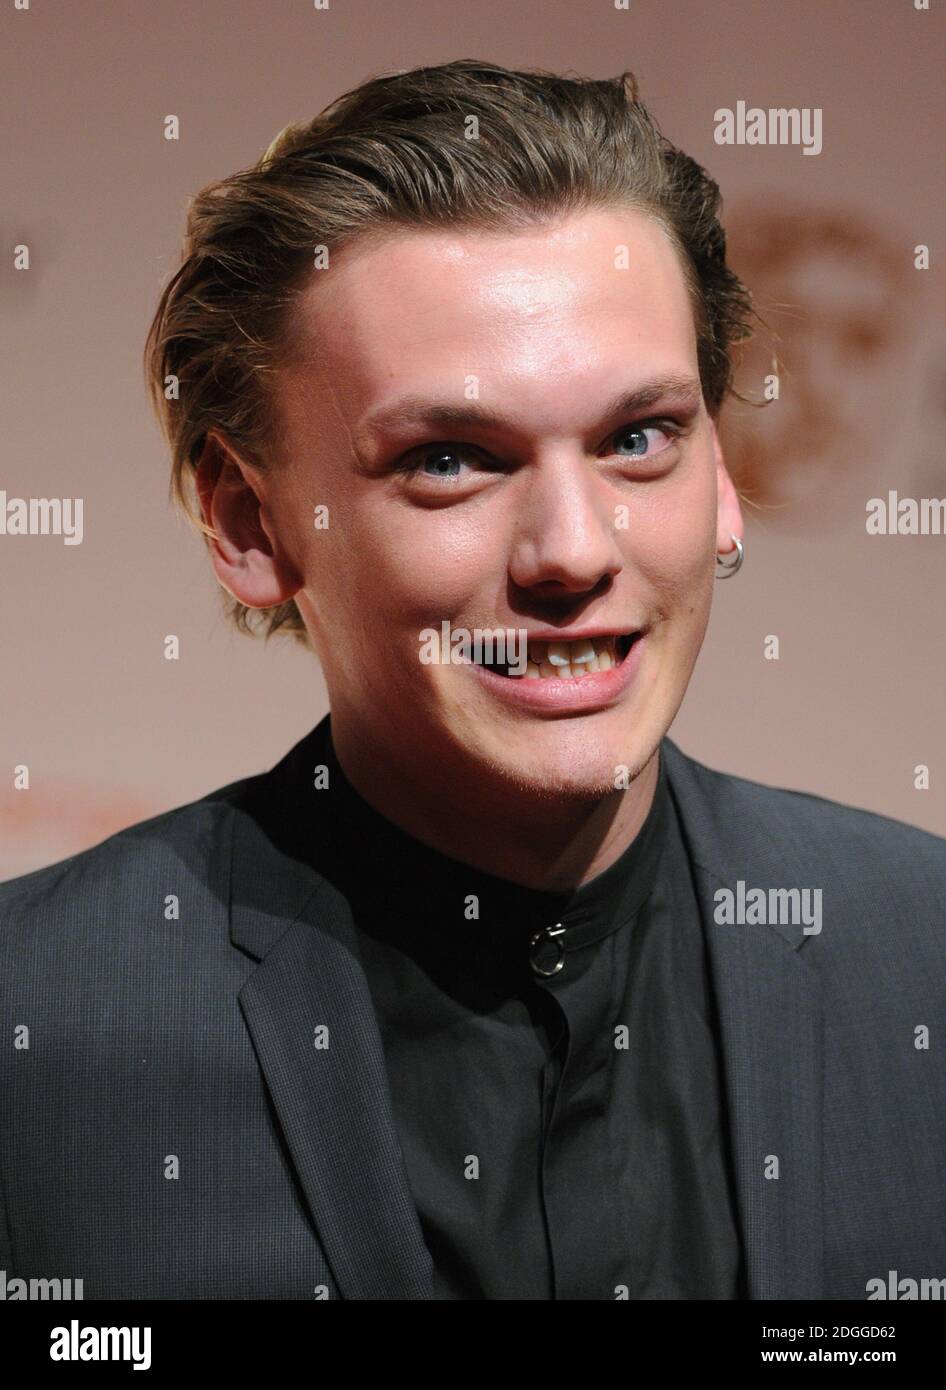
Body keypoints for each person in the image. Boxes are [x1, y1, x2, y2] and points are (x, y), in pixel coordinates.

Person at [2, 59, 944, 1302]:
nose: (572, 550)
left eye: (637, 439)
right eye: (451, 460)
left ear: (721, 475)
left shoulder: (918, 954)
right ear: (250, 522)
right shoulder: (39, 1024)